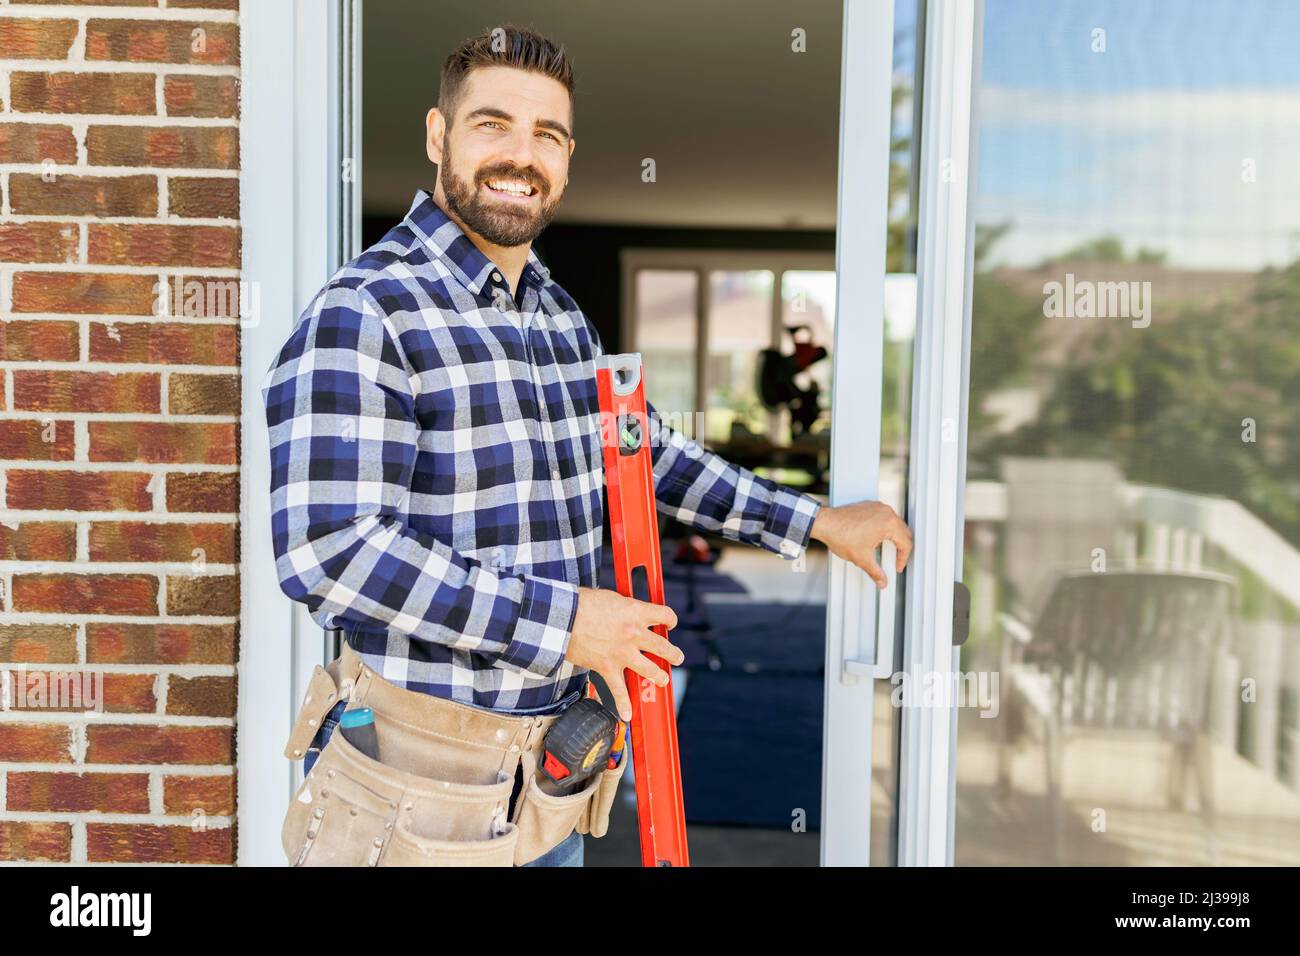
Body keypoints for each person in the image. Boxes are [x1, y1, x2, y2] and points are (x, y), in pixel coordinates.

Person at [263, 25, 913, 868]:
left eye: (548, 135)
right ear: (438, 135)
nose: (520, 155)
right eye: (492, 124)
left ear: (567, 161)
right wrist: (567, 621)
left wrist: (817, 522)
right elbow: (330, 551)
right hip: (417, 784)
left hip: (552, 777)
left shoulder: (559, 318)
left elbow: (647, 462)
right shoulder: (367, 309)